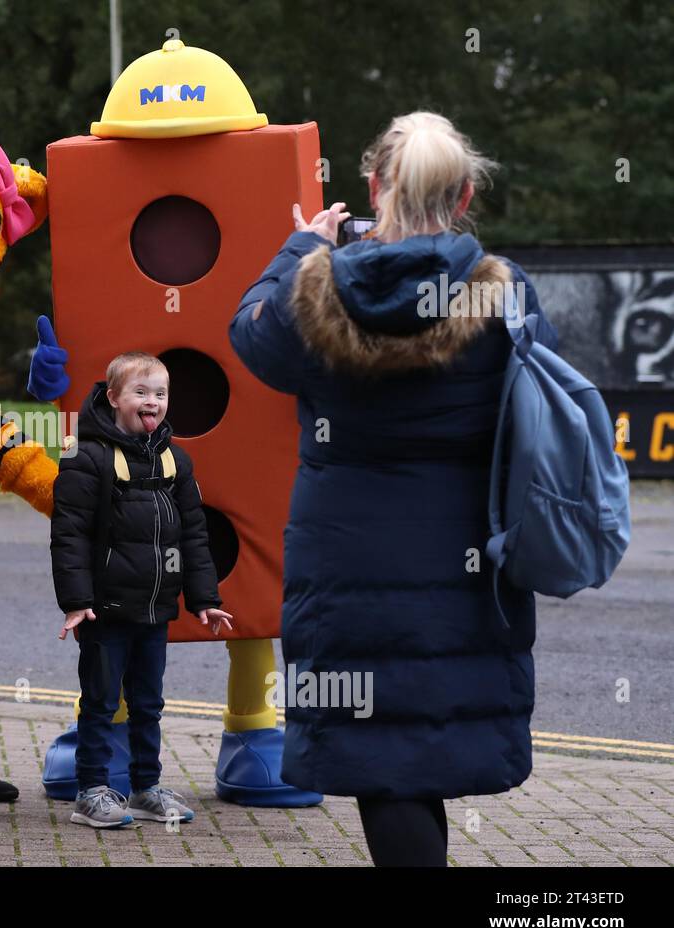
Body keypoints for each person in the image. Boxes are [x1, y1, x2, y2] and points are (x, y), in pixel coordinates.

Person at [229, 112, 557, 866]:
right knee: (429, 740)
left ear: (373, 185)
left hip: (346, 564)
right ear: (466, 195)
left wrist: (302, 245)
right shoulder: (506, 296)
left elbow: (248, 333)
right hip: (469, 556)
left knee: (383, 759)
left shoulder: (316, 292)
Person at [50, 352, 233, 828]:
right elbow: (69, 534)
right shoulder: (83, 456)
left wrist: (205, 600)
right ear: (113, 398)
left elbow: (193, 535)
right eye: (141, 392)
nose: (152, 401)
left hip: (155, 608)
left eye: (160, 393)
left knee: (149, 703)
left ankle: (145, 786)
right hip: (105, 611)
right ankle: (91, 790)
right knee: (102, 701)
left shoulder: (177, 460)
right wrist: (76, 602)